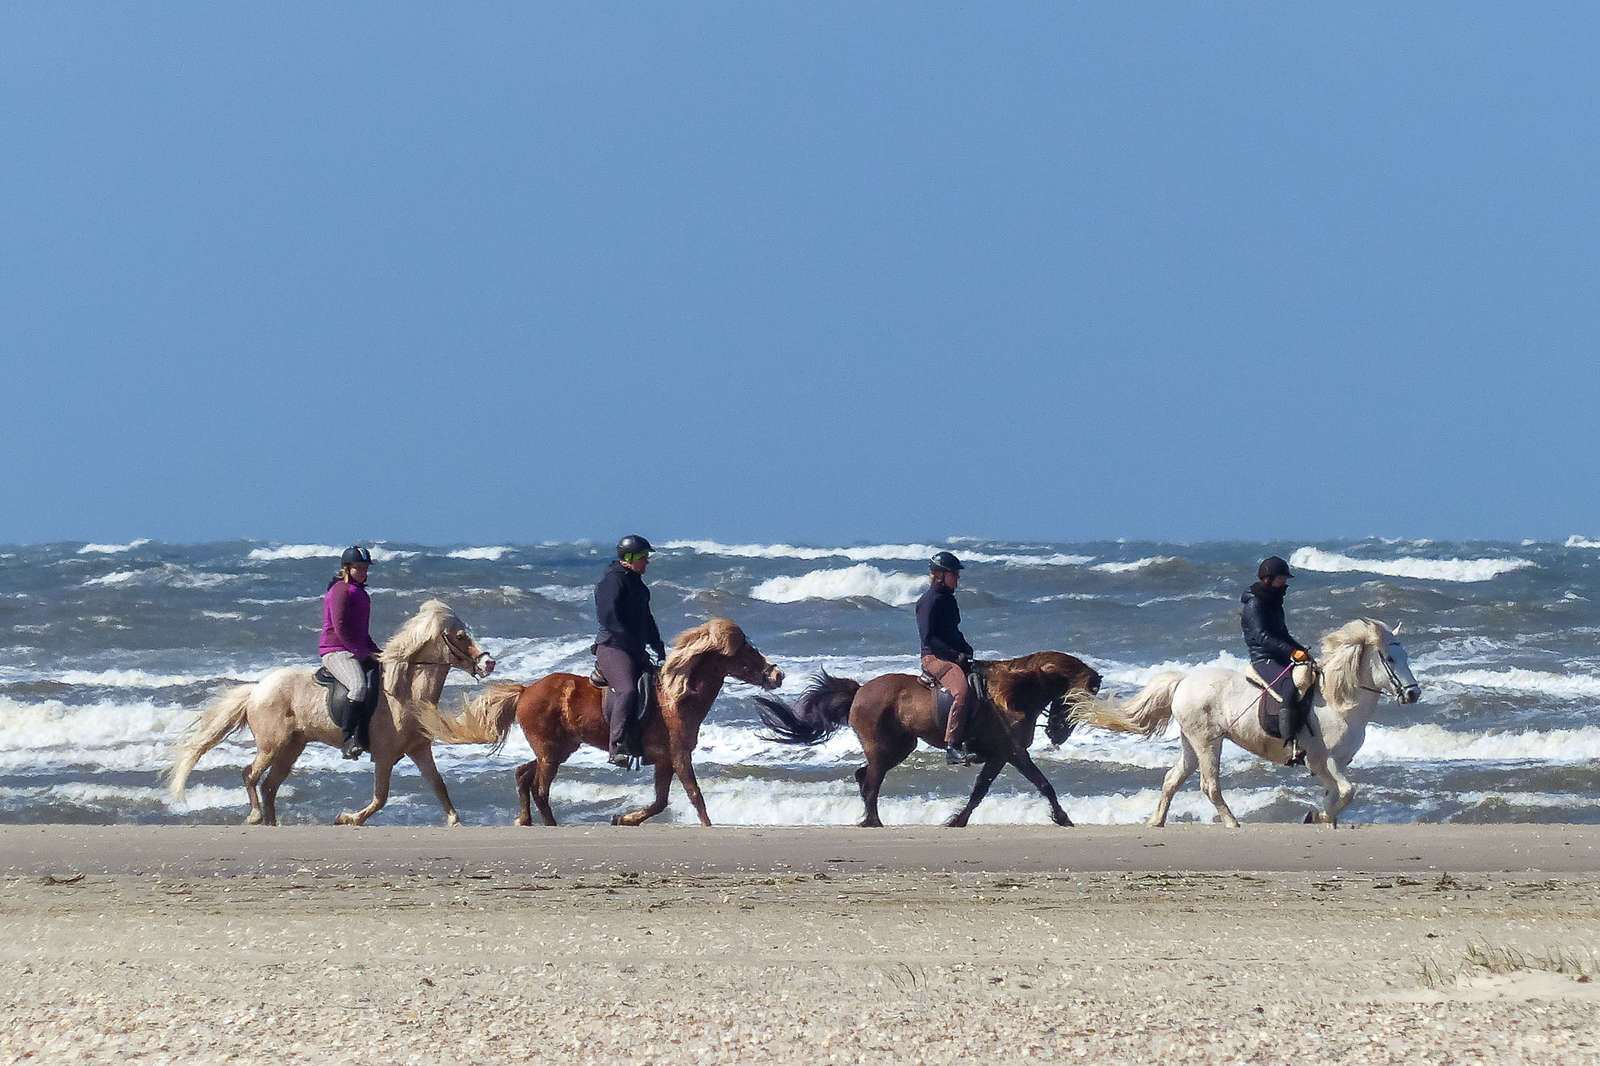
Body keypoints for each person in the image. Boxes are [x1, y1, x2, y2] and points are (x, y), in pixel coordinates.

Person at [594, 534, 666, 769]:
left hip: (634, 649)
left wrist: (657, 645)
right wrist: (633, 644)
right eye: (643, 557)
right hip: (612, 647)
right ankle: (616, 749)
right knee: (627, 691)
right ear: (629, 558)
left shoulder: (639, 586)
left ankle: (644, 742)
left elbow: (647, 619)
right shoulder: (612, 582)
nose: (647, 561)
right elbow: (608, 618)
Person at [1241, 555, 1313, 764]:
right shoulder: (1255, 603)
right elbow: (1262, 637)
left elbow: (1283, 634)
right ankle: (1291, 746)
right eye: (1282, 578)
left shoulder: (1273, 602)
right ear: (1268, 578)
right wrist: (1291, 653)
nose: (1285, 582)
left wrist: (1301, 650)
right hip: (1263, 658)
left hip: (1280, 655)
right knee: (1289, 686)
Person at [916, 550, 979, 765]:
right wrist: (955, 655)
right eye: (954, 573)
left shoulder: (949, 600)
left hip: (952, 656)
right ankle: (952, 746)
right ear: (940, 575)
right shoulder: (929, 601)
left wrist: (966, 649)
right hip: (934, 658)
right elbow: (930, 638)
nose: (958, 577)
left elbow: (953, 632)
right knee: (962, 692)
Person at [320, 545, 382, 759]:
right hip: (336, 650)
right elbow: (340, 627)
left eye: (365, 568)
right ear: (347, 568)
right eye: (358, 568)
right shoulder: (340, 590)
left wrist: (378, 652)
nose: (363, 572)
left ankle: (369, 735)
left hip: (356, 649)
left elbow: (362, 632)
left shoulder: (362, 593)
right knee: (358, 686)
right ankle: (348, 740)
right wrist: (362, 652)